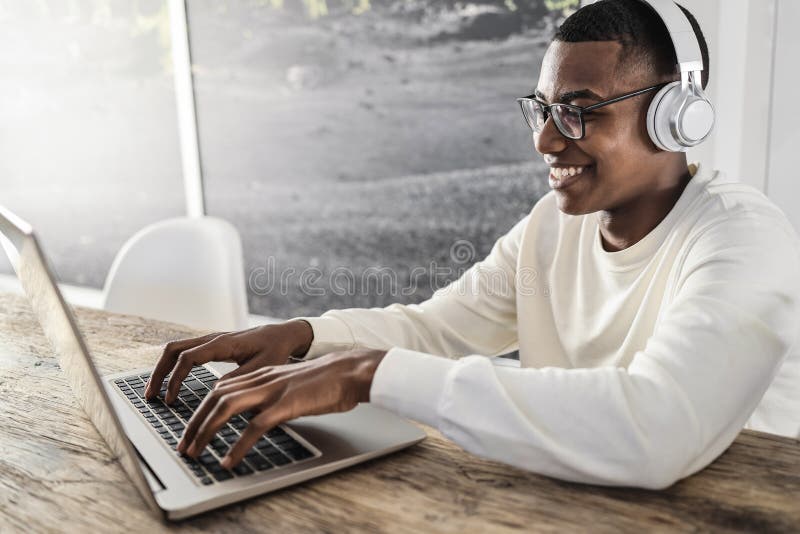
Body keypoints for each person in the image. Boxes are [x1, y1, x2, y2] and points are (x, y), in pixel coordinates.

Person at [145, 0, 800, 488]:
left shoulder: (742, 238)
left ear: (675, 113)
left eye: (579, 109)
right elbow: (435, 330)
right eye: (541, 109)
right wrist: (306, 338)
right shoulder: (553, 226)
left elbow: (656, 429)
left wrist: (368, 374)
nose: (545, 140)